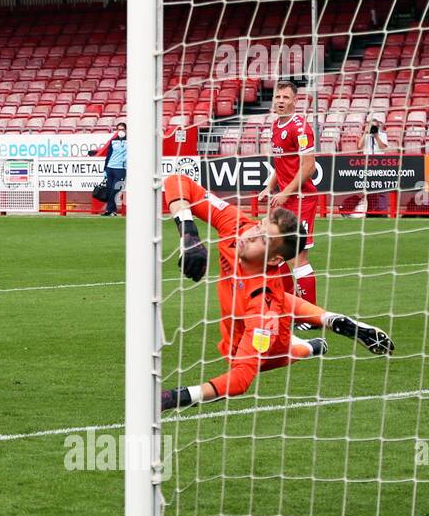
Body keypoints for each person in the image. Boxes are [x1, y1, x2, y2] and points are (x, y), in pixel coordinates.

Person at [160, 173, 392, 410]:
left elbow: (240, 381)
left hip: (268, 329)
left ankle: (313, 344)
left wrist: (174, 397)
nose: (250, 235)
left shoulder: (265, 308)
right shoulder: (238, 225)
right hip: (253, 308)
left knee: (267, 355)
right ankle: (329, 321)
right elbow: (177, 181)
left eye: (262, 238)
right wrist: (189, 234)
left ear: (275, 259)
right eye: (259, 225)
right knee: (277, 309)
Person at [259, 79, 319, 307]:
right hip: (284, 200)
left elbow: (308, 167)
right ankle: (290, 304)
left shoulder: (301, 128)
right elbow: (281, 164)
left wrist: (285, 192)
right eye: (277, 97)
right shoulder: (276, 125)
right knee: (274, 251)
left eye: (285, 97)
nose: (280, 101)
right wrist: (270, 186)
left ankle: (311, 315)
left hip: (302, 200)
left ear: (295, 100)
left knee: (298, 257)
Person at [354, 115, 391, 216]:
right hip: (368, 164)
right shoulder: (365, 136)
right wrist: (366, 132)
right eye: (372, 126)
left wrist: (376, 136)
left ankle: (383, 212)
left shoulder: (382, 135)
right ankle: (371, 211)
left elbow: (383, 147)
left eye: (375, 126)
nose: (374, 128)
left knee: (381, 188)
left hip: (380, 164)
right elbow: (359, 147)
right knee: (369, 189)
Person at [89, 122, 127, 216]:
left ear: (125, 130)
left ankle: (112, 210)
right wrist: (105, 169)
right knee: (109, 190)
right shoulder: (113, 141)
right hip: (110, 168)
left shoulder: (130, 142)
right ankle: (110, 211)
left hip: (121, 170)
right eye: (119, 129)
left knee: (115, 190)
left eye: (122, 129)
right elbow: (108, 155)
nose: (120, 131)